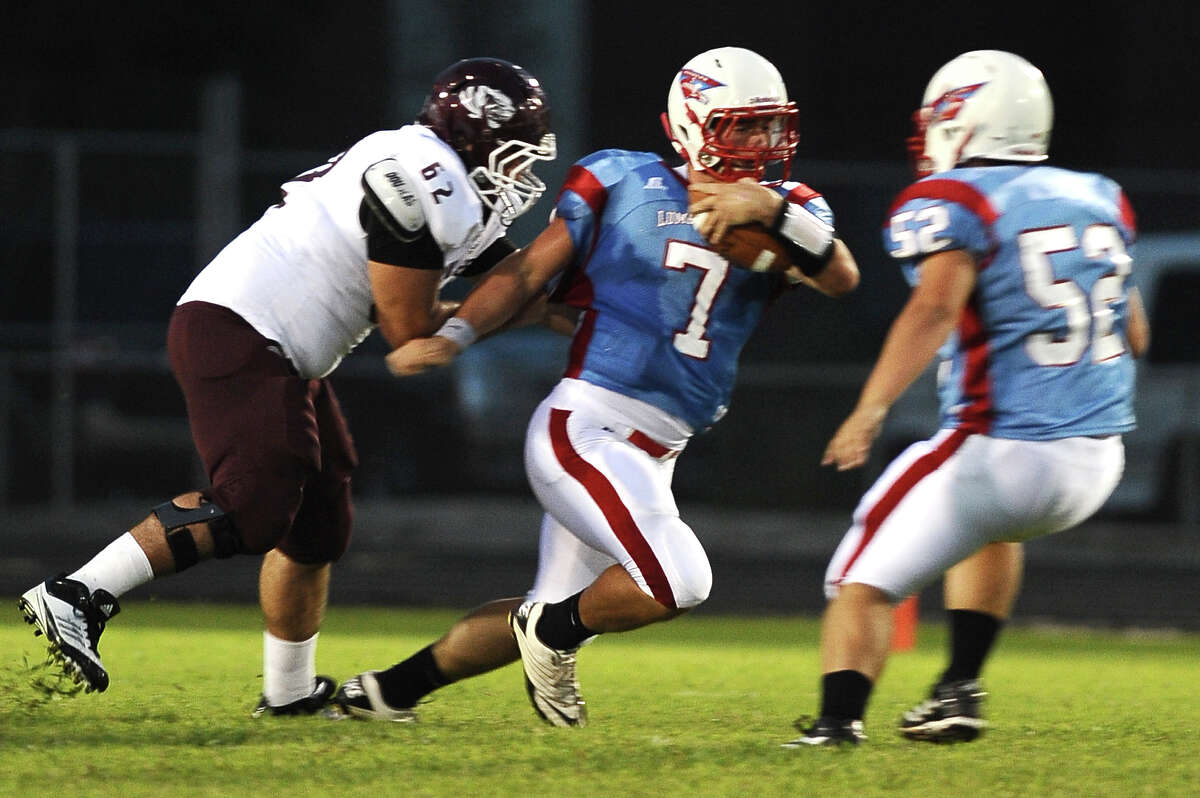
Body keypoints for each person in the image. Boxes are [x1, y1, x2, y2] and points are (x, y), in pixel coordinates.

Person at [328, 46, 860, 727]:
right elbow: (526, 275)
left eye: (770, 126)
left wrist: (770, 212)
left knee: (546, 604)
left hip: (656, 451)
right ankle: (553, 634)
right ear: (694, 123)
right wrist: (454, 335)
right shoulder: (621, 180)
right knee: (677, 582)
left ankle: (387, 692)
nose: (762, 142)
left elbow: (838, 276)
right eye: (742, 126)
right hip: (588, 426)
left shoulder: (794, 206)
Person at [18, 58, 557, 715]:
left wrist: (607, 312)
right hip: (239, 329)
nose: (521, 169)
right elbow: (409, 330)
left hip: (278, 348)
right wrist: (481, 319)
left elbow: (524, 289)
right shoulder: (423, 175)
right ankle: (79, 593)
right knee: (256, 506)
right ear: (475, 133)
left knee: (318, 527)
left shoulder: (436, 177)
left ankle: (289, 694)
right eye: (513, 148)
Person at [784, 50, 1150, 747]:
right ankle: (958, 689)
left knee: (857, 580)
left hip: (1000, 448)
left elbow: (933, 309)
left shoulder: (958, 201)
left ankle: (836, 723)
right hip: (1099, 460)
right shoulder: (1098, 195)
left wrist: (871, 409)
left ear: (965, 119)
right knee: (991, 533)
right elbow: (1133, 331)